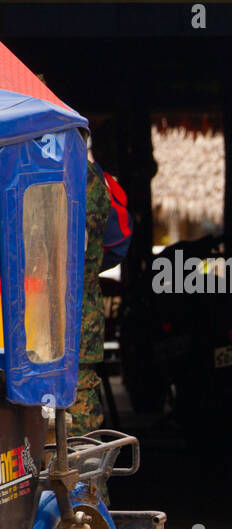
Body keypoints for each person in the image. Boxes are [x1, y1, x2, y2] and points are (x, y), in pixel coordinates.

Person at [69, 159, 112, 436]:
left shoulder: (77, 172)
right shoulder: (87, 172)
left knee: (76, 421)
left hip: (74, 322)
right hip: (78, 318)